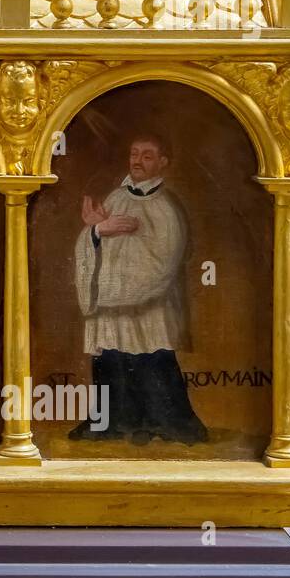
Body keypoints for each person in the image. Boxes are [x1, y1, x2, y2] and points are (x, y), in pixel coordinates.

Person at [70, 133, 209, 445]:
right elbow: (94, 243)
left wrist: (108, 294)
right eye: (134, 153)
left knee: (151, 361)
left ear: (163, 163)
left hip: (148, 310)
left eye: (147, 155)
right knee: (110, 360)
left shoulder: (165, 209)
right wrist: (94, 231)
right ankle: (110, 423)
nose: (137, 160)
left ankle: (163, 424)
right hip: (110, 305)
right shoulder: (116, 199)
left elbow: (162, 268)